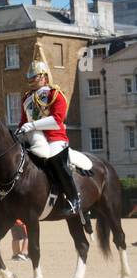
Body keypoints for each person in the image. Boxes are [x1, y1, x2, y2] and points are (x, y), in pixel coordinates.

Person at [18, 45, 89, 232]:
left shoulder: (56, 95)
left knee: (56, 160)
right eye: (29, 78)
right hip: (34, 138)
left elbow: (57, 120)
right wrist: (20, 131)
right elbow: (23, 120)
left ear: (43, 76)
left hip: (55, 137)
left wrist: (32, 125)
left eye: (34, 77)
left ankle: (74, 198)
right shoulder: (27, 98)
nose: (31, 81)